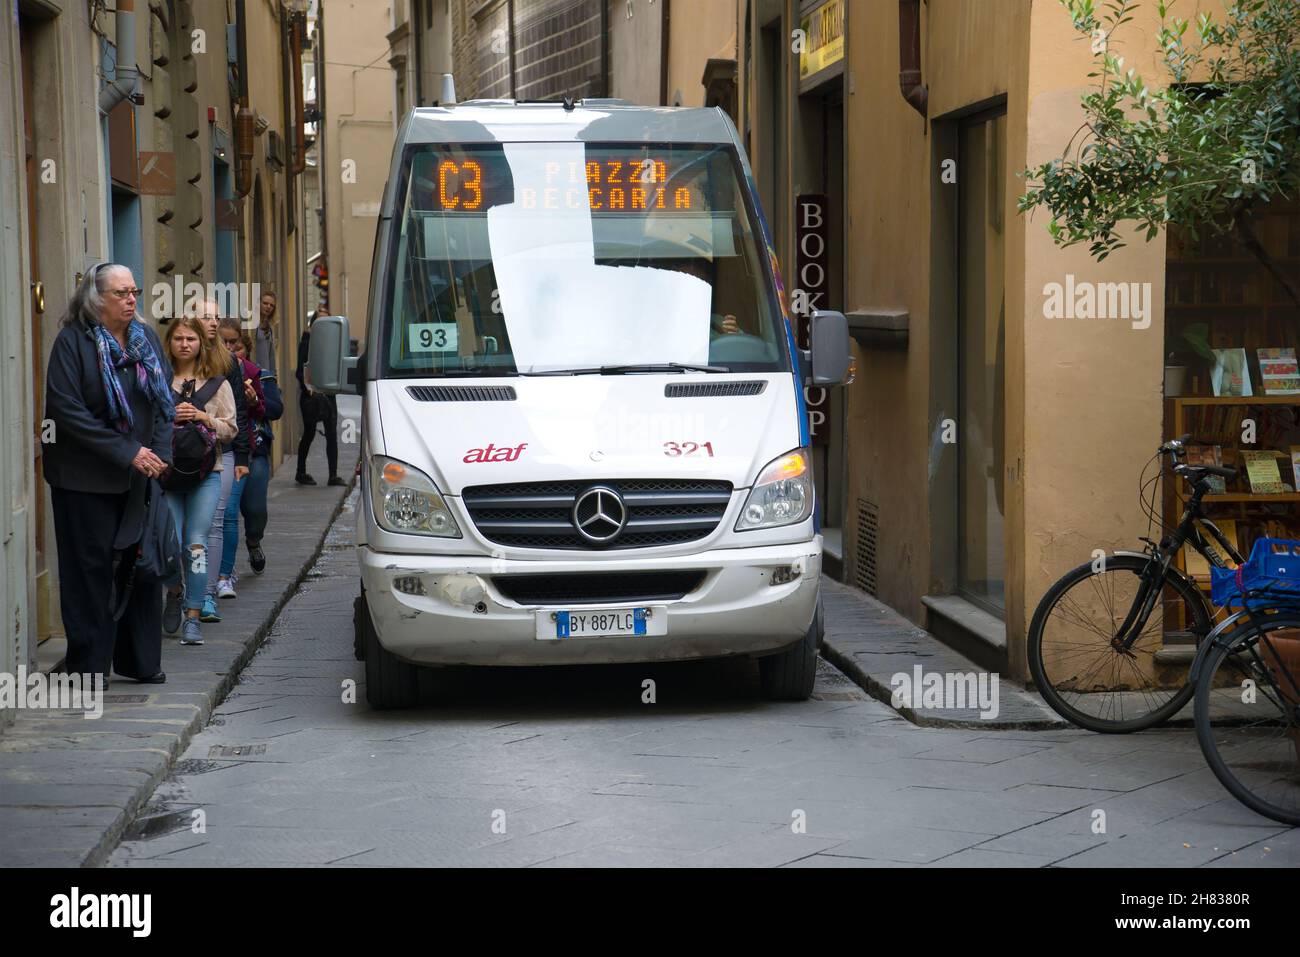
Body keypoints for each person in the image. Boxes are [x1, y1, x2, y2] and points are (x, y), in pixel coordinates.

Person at [42, 264, 175, 687]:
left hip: (139, 476)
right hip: (83, 478)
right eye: (121, 293)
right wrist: (128, 450)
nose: (131, 299)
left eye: (134, 291)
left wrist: (160, 455)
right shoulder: (72, 343)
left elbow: (161, 402)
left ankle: (140, 661)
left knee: (141, 568)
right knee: (90, 571)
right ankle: (88, 667)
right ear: (96, 299)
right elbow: (66, 411)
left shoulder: (145, 338)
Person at [160, 317, 237, 645]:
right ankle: (175, 591)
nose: (184, 344)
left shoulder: (218, 384)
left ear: (200, 343)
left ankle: (193, 615)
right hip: (167, 474)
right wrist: (169, 416)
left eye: (190, 338)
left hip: (208, 474)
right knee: (169, 545)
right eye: (178, 338)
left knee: (196, 545)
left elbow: (231, 429)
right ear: (170, 343)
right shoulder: (158, 380)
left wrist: (204, 416)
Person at [189, 300, 249, 623]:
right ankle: (184, 591)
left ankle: (207, 594)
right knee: (186, 530)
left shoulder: (229, 363)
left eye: (215, 318)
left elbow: (237, 409)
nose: (213, 323)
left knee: (214, 522)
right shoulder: (177, 360)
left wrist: (242, 456)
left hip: (220, 454)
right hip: (184, 456)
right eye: (206, 317)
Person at [215, 319, 282, 591]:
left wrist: (255, 401)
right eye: (225, 343)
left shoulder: (259, 375)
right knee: (227, 514)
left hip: (255, 451)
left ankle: (253, 540)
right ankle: (222, 575)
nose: (231, 349)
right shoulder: (210, 373)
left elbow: (276, 409)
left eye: (236, 345)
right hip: (223, 452)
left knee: (254, 509)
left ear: (246, 347)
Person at [296, 308, 344, 486]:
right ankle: (300, 472)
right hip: (311, 394)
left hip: (328, 393)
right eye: (320, 321)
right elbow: (300, 369)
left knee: (332, 434)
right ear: (313, 324)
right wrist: (308, 387)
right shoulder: (307, 341)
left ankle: (333, 475)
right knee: (309, 434)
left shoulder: (332, 342)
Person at [254, 290, 278, 378]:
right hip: (254, 374)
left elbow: (271, 356)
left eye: (272, 305)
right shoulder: (252, 325)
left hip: (266, 376)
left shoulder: (269, 329)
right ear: (258, 303)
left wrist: (273, 377)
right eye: (265, 303)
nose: (268, 307)